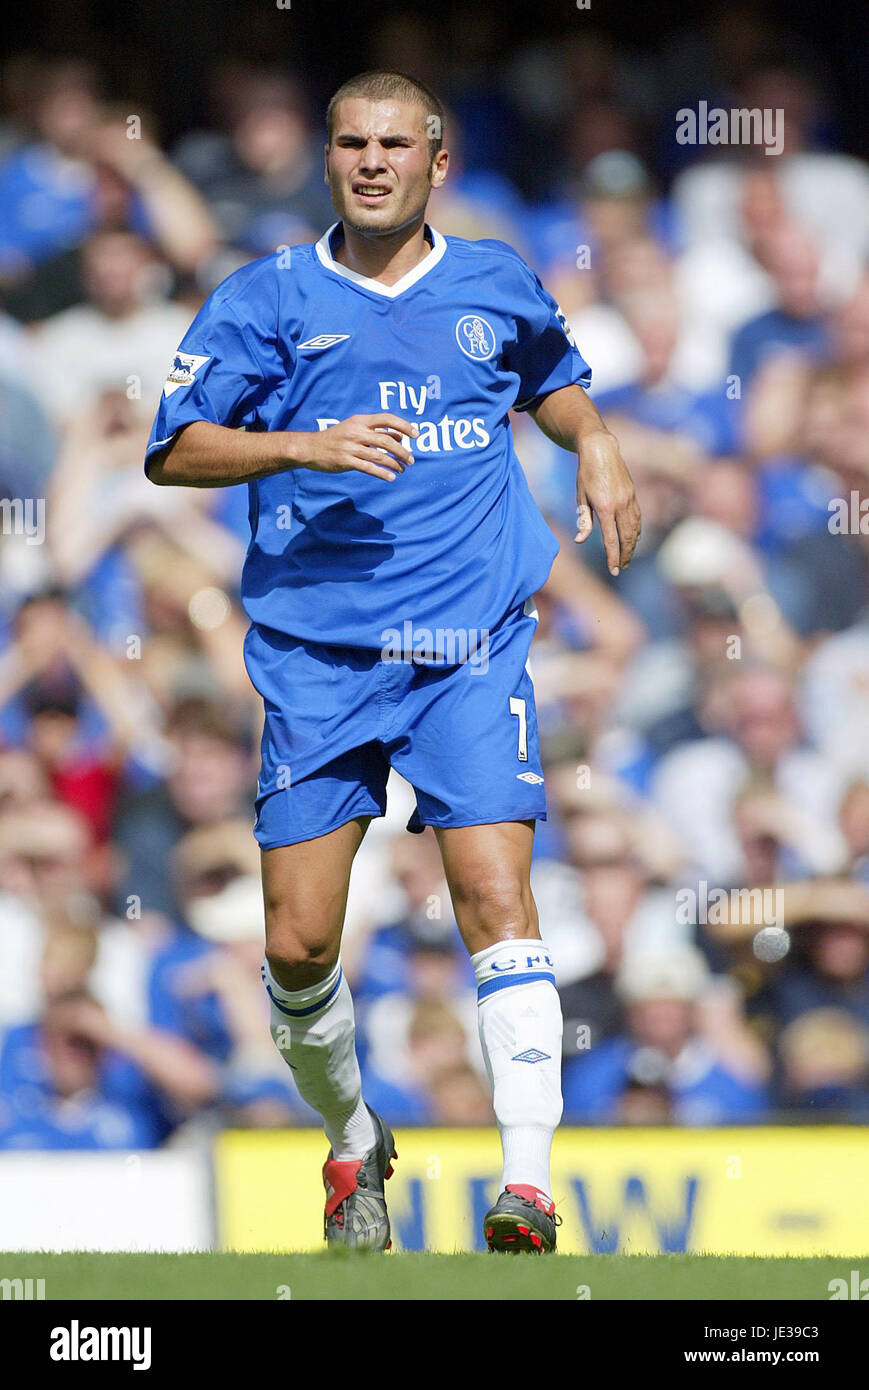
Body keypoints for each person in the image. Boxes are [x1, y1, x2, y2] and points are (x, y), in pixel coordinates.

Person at [144, 69, 641, 1255]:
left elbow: (555, 382)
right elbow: (173, 450)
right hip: (316, 659)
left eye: (394, 144)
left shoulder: (492, 279)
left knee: (493, 897)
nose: (371, 161)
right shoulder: (264, 299)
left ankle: (525, 1188)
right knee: (299, 943)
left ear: (436, 162)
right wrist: (305, 444)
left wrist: (599, 444)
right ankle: (354, 1134)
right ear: (326, 159)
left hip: (466, 651)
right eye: (350, 143)